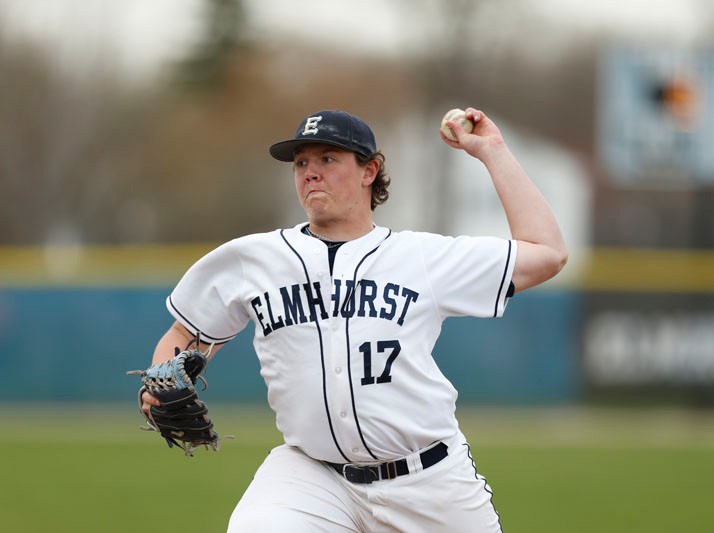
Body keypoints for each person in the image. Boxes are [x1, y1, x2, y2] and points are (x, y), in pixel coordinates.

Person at [140, 107, 567, 532]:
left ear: (369, 171)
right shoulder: (253, 259)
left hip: (429, 481)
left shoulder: (422, 257)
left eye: (328, 159)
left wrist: (493, 151)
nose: (310, 172)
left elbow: (547, 253)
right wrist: (162, 381)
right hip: (313, 477)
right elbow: (184, 336)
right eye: (302, 162)